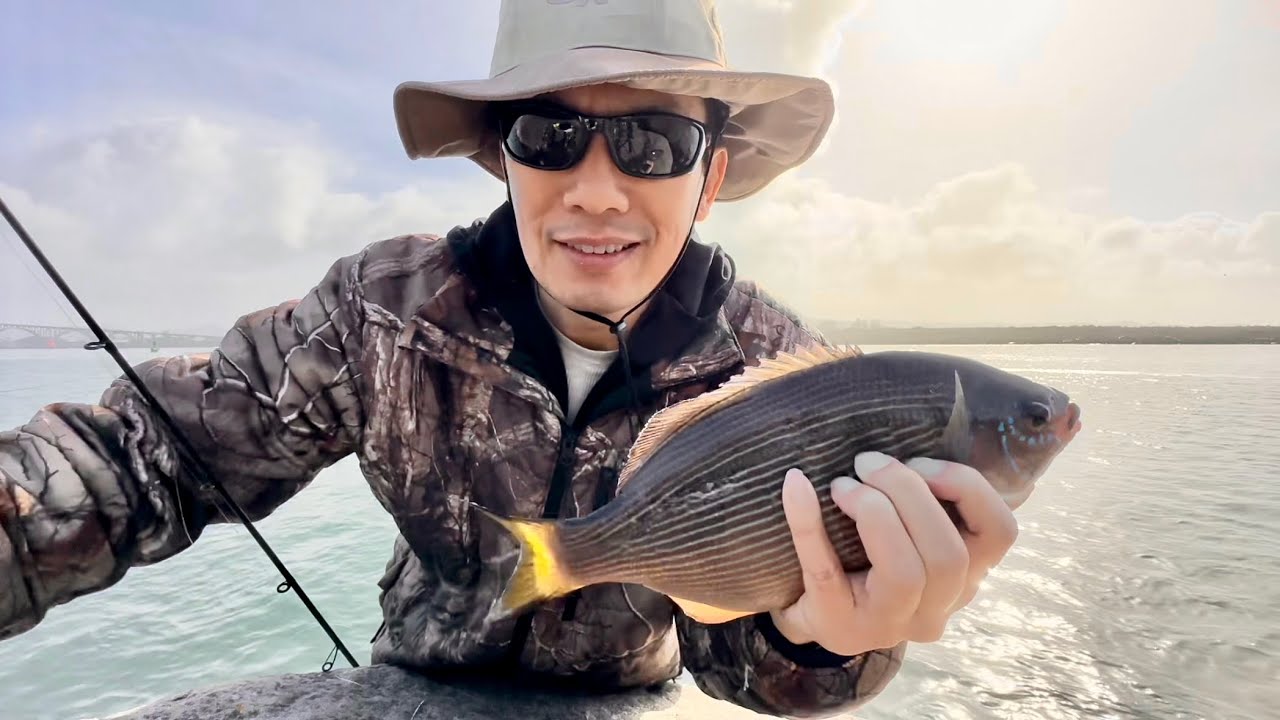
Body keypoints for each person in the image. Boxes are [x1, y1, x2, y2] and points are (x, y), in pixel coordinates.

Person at [0, 1, 1021, 717]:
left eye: (652, 142)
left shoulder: (775, 372)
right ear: (501, 157)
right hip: (409, 688)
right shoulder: (378, 312)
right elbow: (150, 457)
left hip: (633, 703)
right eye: (548, 133)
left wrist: (826, 640)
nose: (595, 189)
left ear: (710, 178)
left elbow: (744, 665)